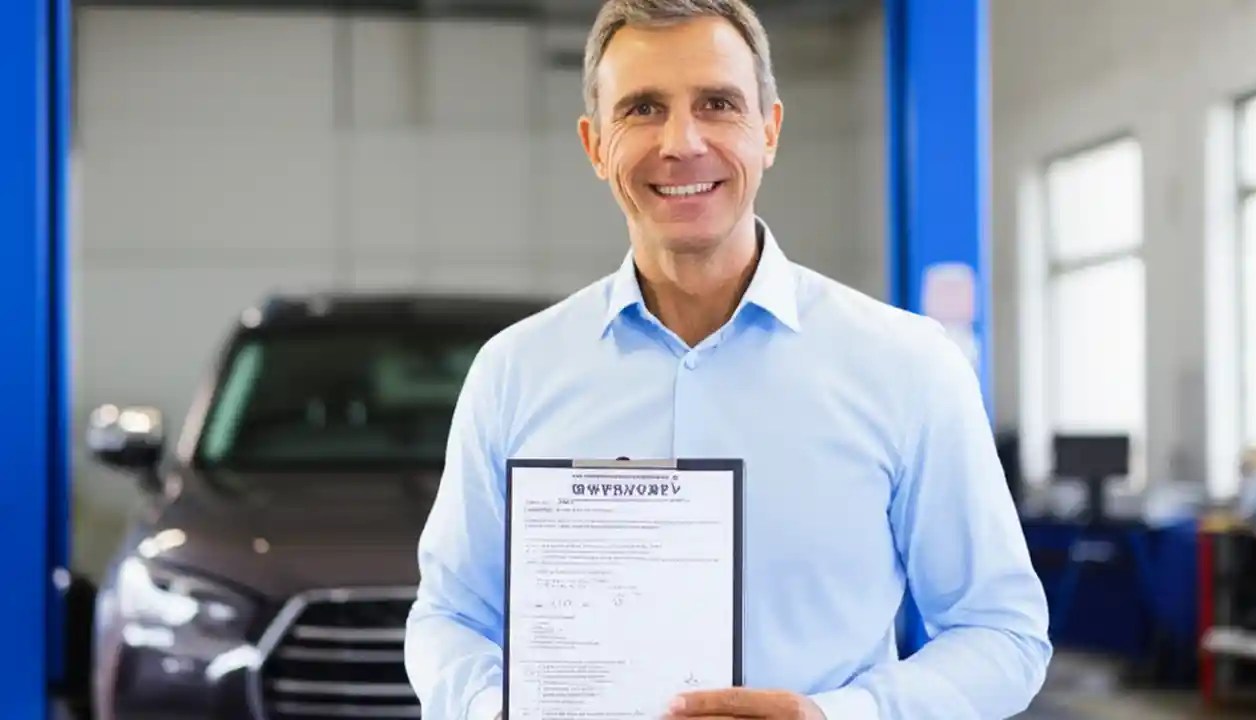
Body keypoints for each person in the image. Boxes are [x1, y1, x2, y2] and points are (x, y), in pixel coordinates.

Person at [404, 1, 1052, 718]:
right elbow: (450, 618)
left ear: (769, 130)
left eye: (717, 103)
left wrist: (835, 716)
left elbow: (1001, 632)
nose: (681, 142)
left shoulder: (908, 368)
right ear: (594, 145)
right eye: (643, 108)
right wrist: (493, 708)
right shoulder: (513, 374)